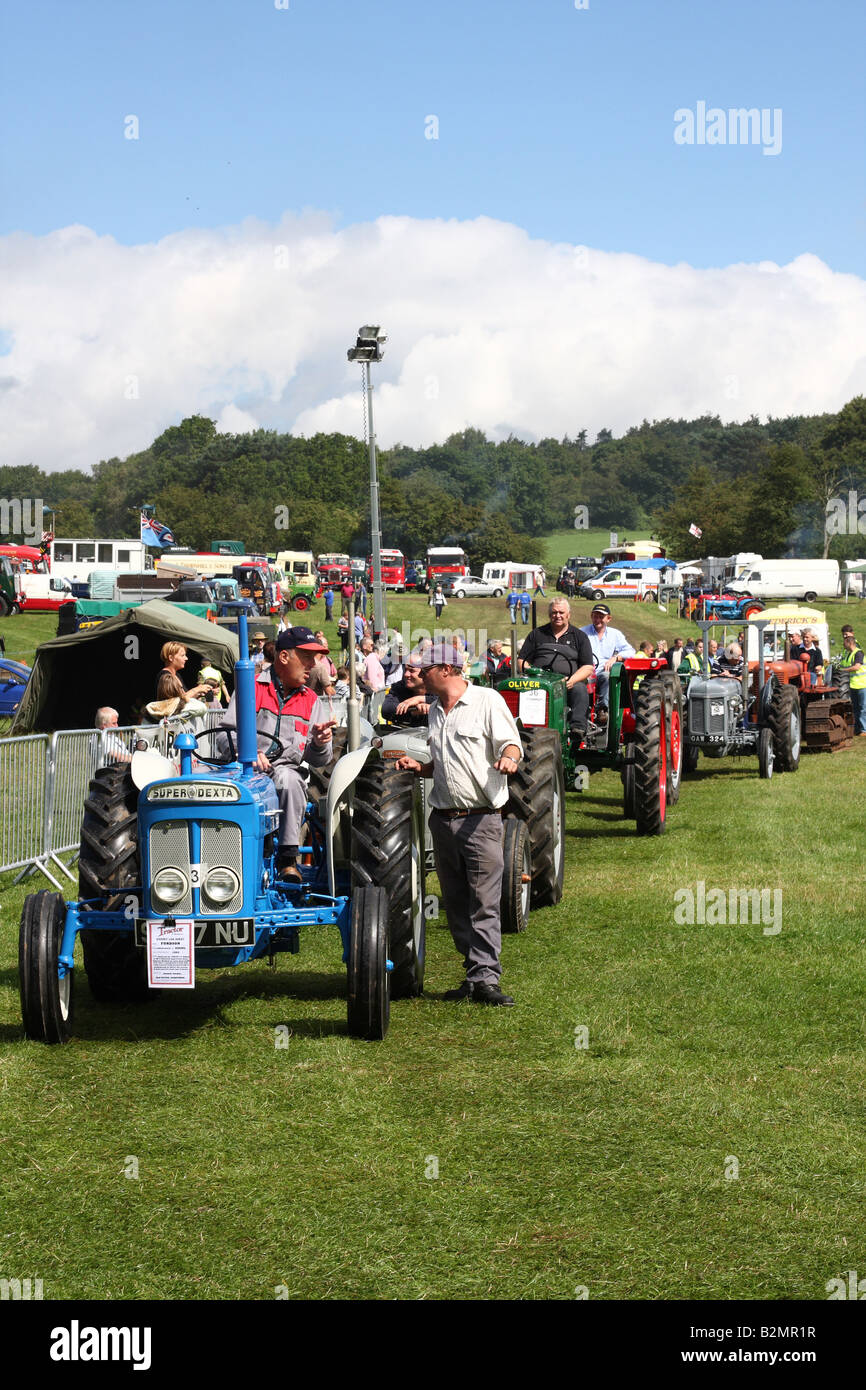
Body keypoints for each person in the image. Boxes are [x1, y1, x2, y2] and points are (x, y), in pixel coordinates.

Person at [395, 643, 522, 1006]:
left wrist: (509, 760)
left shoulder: (486, 701)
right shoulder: (436, 711)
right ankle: (474, 973)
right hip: (444, 820)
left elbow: (511, 743)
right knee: (456, 901)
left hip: (480, 819)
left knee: (483, 900)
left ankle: (485, 979)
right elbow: (444, 764)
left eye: (424, 669)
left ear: (447, 670)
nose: (417, 675)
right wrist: (419, 769)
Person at [218, 627, 336, 881]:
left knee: (289, 780)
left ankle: (287, 858)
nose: (312, 666)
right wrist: (247, 752)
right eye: (306, 658)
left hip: (284, 770)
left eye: (315, 659)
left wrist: (319, 742)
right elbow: (223, 736)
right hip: (244, 770)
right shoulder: (251, 688)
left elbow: (321, 760)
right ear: (284, 657)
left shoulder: (311, 700)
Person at [518, 598, 595, 734]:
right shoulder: (537, 634)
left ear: (568, 615)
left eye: (561, 612)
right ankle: (520, 725)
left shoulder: (579, 636)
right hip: (539, 682)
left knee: (580, 689)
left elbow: (588, 666)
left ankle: (578, 726)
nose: (557, 616)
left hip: (567, 684)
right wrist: (532, 673)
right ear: (549, 614)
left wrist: (572, 680)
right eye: (554, 612)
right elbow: (522, 660)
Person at [580, 604, 635, 715]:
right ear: (591, 616)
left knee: (606, 676)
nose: (598, 620)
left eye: (601, 617)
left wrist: (615, 658)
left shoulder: (615, 634)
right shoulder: (582, 632)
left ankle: (603, 710)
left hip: (602, 672)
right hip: (585, 672)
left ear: (608, 619)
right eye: (595, 616)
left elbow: (630, 651)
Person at [380, 657, 430, 725]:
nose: (406, 674)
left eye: (412, 671)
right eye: (405, 670)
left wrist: (421, 699)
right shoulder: (400, 686)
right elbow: (386, 709)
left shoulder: (438, 688)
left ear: (425, 672)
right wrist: (413, 710)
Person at [838, 631, 866, 734]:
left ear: (849, 643)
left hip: (862, 685)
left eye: (844, 643)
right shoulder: (849, 654)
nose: (843, 645)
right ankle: (858, 729)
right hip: (854, 685)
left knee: (863, 708)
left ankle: (864, 729)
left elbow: (857, 667)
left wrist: (843, 670)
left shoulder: (858, 653)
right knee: (856, 708)